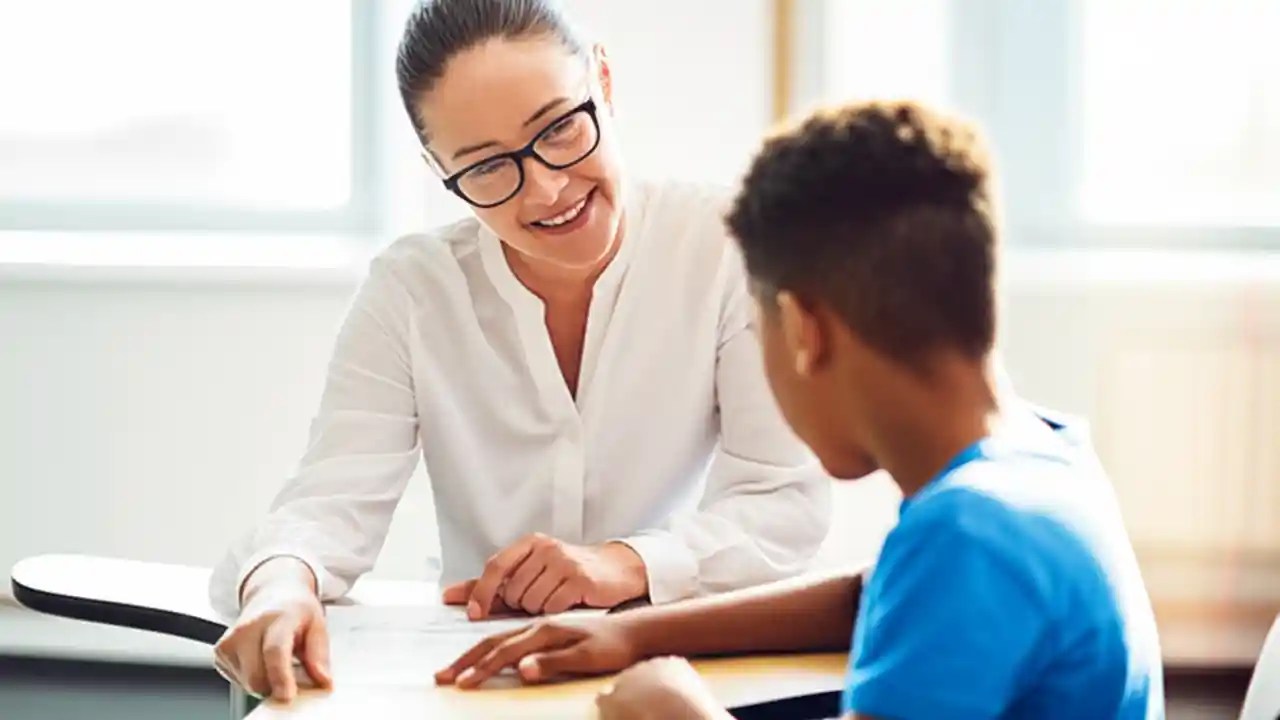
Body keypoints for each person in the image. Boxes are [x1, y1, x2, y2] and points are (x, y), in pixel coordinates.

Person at [436, 99, 1166, 720]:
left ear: (807, 331)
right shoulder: (1036, 461)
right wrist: (635, 636)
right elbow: (869, 594)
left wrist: (678, 712)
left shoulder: (971, 534)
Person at [207, 0, 832, 703]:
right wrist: (281, 585)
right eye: (484, 168)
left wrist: (624, 565)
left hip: (687, 672)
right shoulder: (411, 290)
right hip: (486, 675)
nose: (546, 187)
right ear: (436, 167)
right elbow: (327, 503)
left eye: (561, 128)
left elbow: (781, 507)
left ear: (603, 80)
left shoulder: (728, 248)